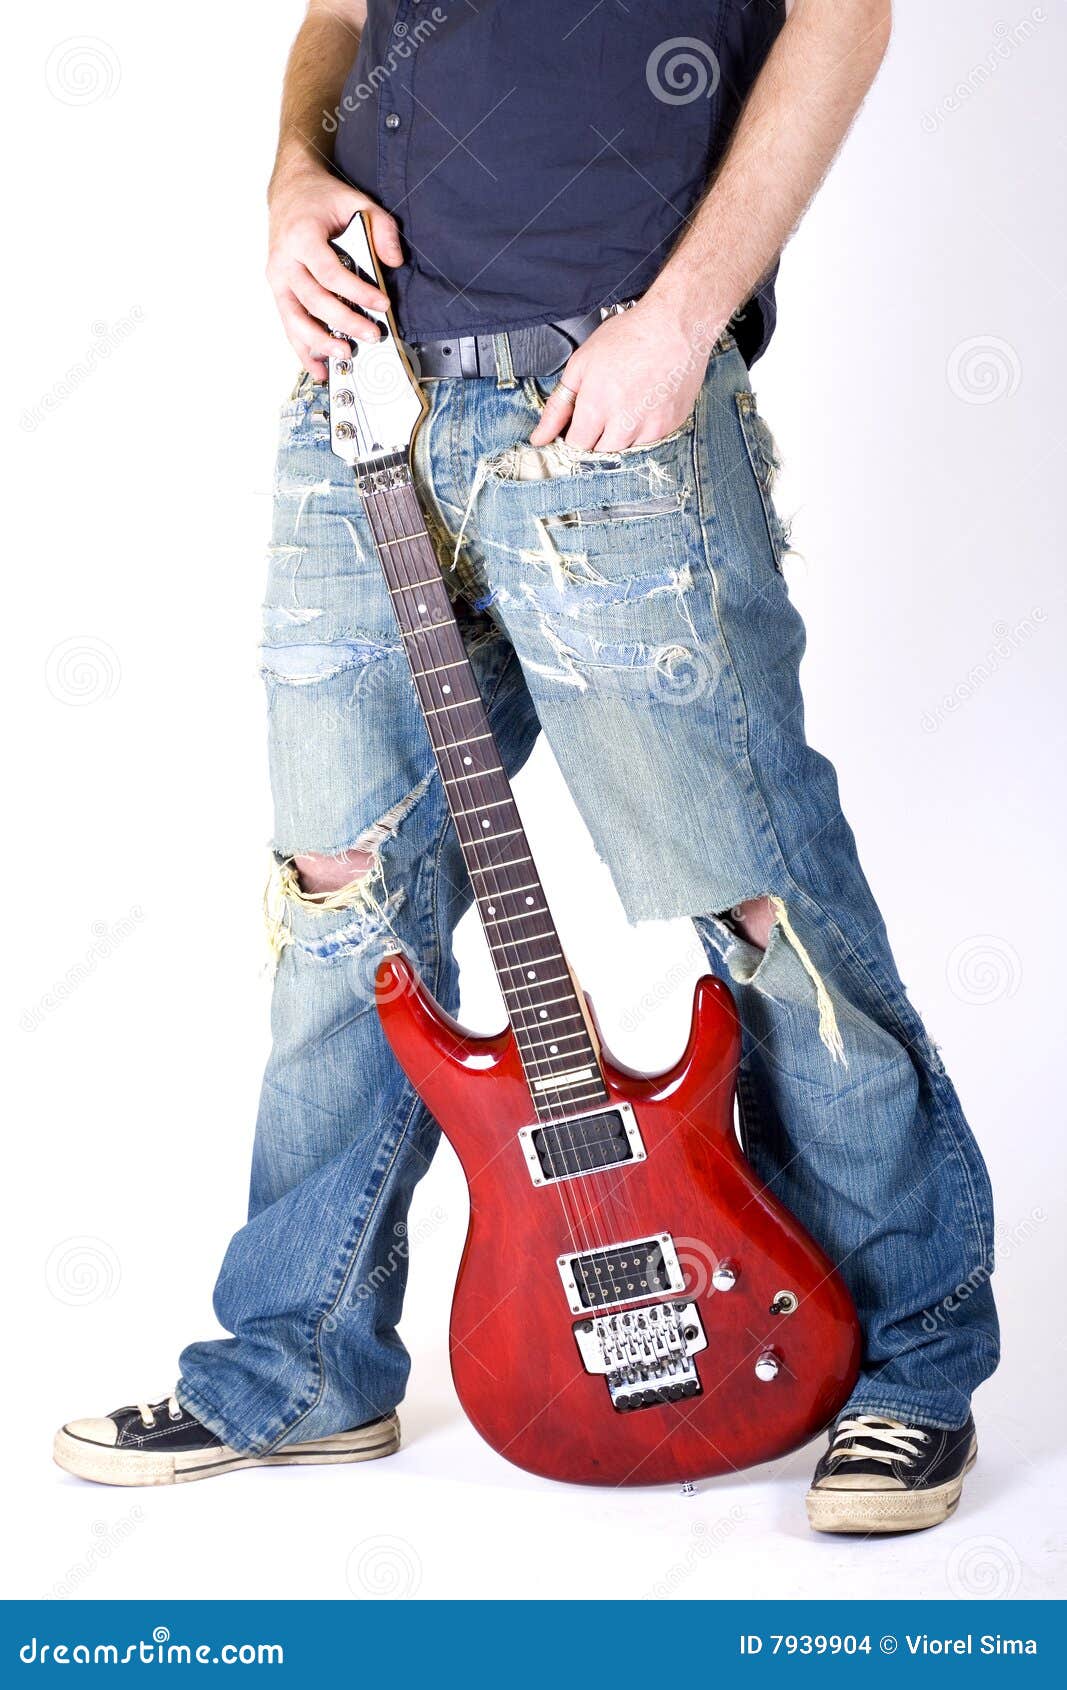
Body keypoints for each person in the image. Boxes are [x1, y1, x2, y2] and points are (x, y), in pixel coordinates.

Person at [55, 0, 997, 1534]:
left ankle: (908, 1365)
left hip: (606, 396)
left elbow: (844, 16)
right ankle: (299, 1365)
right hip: (361, 393)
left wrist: (682, 320)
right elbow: (341, 15)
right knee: (339, 896)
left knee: (752, 895)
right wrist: (291, 177)